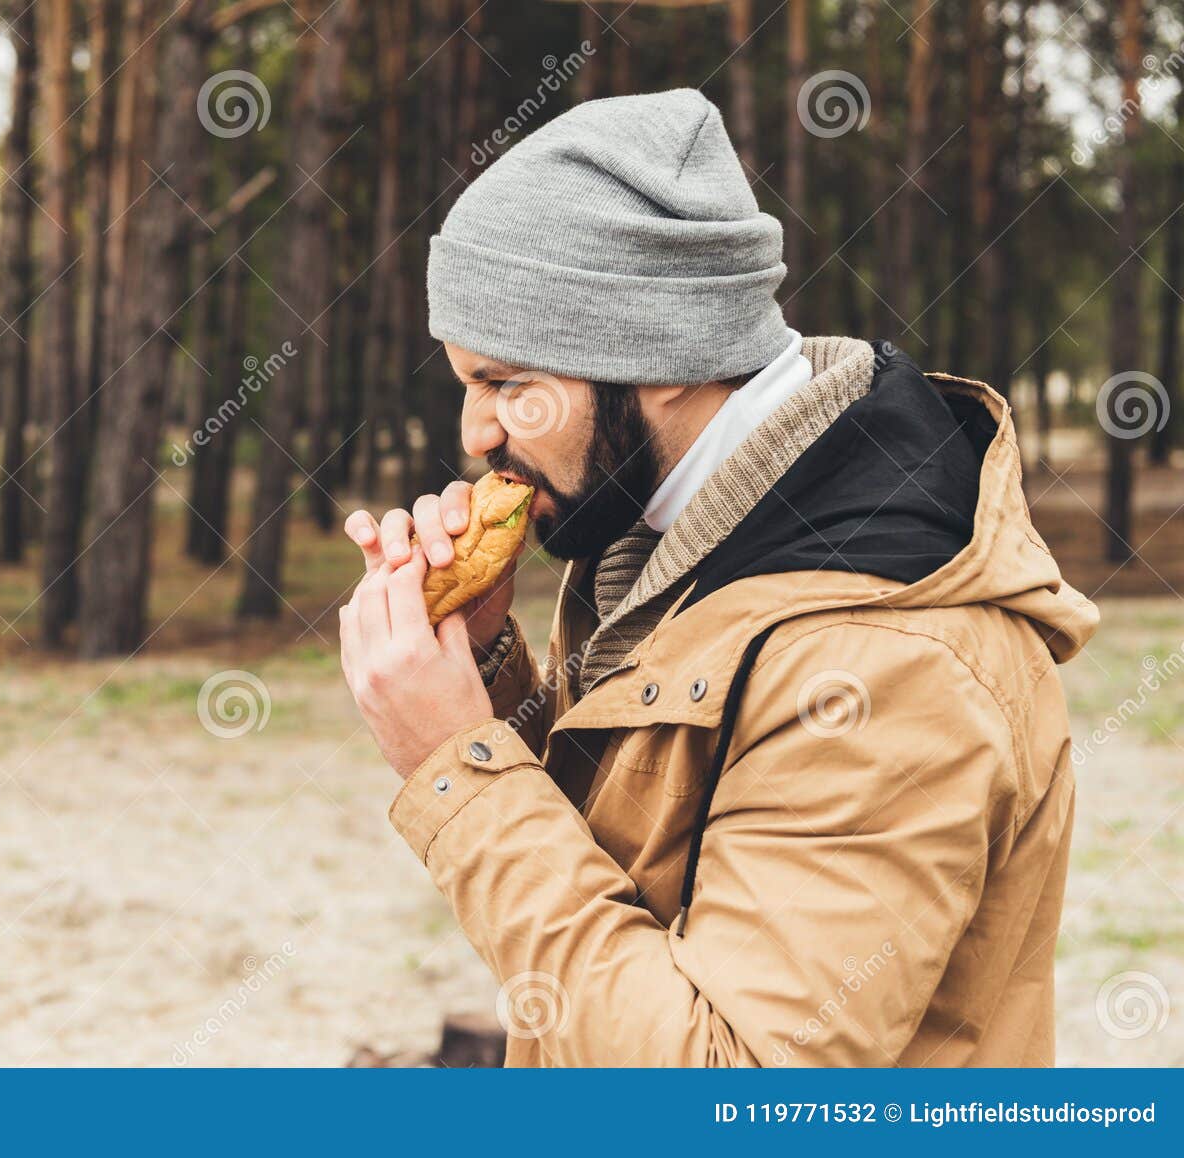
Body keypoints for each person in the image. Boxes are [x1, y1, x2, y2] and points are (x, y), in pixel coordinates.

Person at [337, 90, 1099, 1066]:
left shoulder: (882, 663)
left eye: (505, 384)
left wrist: (454, 768)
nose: (475, 436)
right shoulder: (678, 549)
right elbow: (638, 886)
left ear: (659, 355)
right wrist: (486, 668)